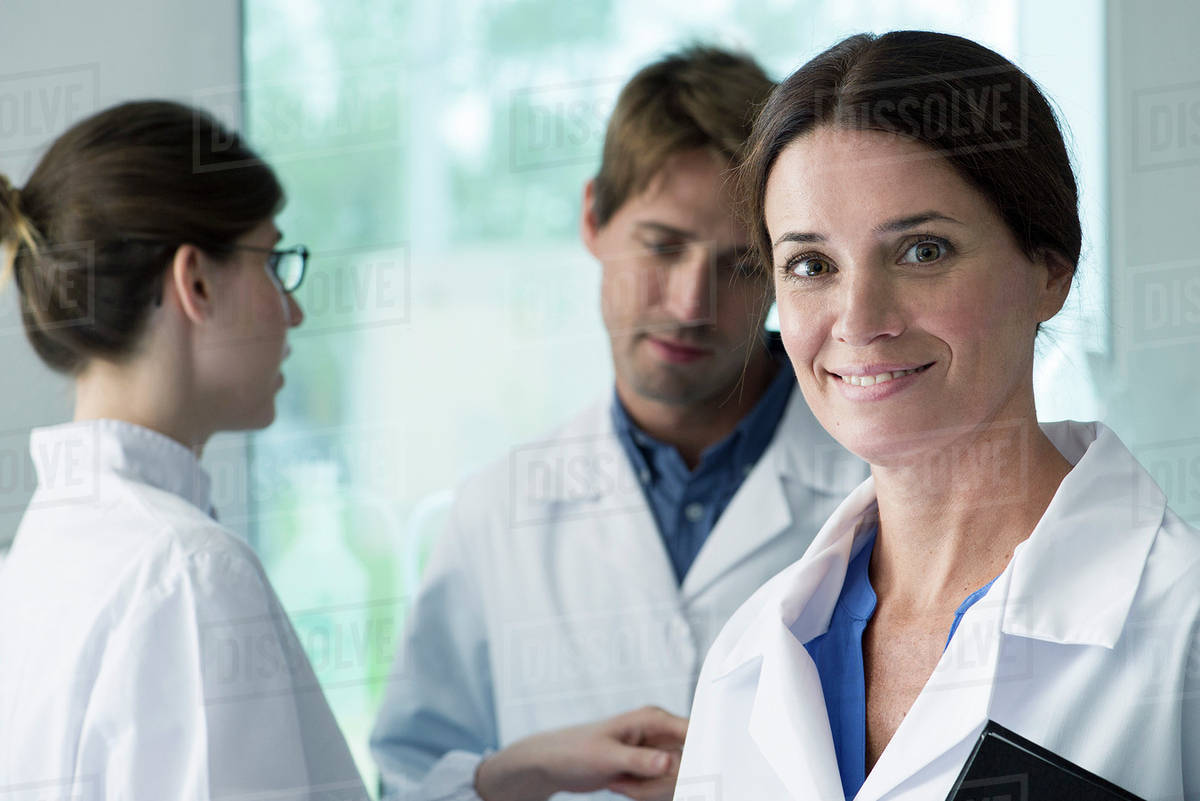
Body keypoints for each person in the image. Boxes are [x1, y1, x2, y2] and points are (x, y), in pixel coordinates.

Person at [674, 30, 1200, 801]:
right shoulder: (750, 659)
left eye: (922, 250)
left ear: (1049, 267)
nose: (858, 319)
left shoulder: (1181, 628)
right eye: (812, 265)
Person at [369, 46, 867, 801]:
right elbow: (407, 778)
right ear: (593, 217)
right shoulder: (495, 512)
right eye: (662, 246)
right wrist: (510, 775)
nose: (689, 303)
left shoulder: (877, 483)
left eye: (738, 265)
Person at [0, 101, 367, 800]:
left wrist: (487, 783)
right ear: (195, 281)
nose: (294, 311)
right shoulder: (186, 573)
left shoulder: (39, 559)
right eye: (274, 261)